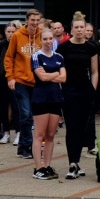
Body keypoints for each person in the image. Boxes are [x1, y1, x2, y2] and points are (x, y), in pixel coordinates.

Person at [57, 17, 100, 180]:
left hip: (85, 90)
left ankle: (76, 161)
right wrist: (62, 89)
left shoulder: (92, 47)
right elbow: (59, 69)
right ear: (72, 29)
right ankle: (72, 163)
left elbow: (95, 71)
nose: (79, 29)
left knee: (82, 128)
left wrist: (92, 89)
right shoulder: (63, 48)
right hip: (68, 90)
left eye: (82, 27)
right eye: (76, 27)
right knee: (71, 127)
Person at [5, 9, 43, 160]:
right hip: (21, 80)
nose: (34, 23)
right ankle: (27, 146)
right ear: (27, 20)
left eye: (37, 20)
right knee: (26, 114)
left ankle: (22, 147)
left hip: (38, 81)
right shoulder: (17, 36)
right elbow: (9, 58)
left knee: (35, 116)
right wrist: (10, 78)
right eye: (32, 20)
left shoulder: (42, 35)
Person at [30, 24, 65, 180]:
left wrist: (51, 74)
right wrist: (55, 74)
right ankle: (38, 167)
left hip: (56, 98)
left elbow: (64, 78)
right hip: (41, 98)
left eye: (50, 38)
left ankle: (48, 165)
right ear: (40, 40)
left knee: (51, 135)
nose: (48, 41)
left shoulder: (59, 57)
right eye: (45, 39)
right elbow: (42, 77)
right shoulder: (36, 56)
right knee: (40, 134)